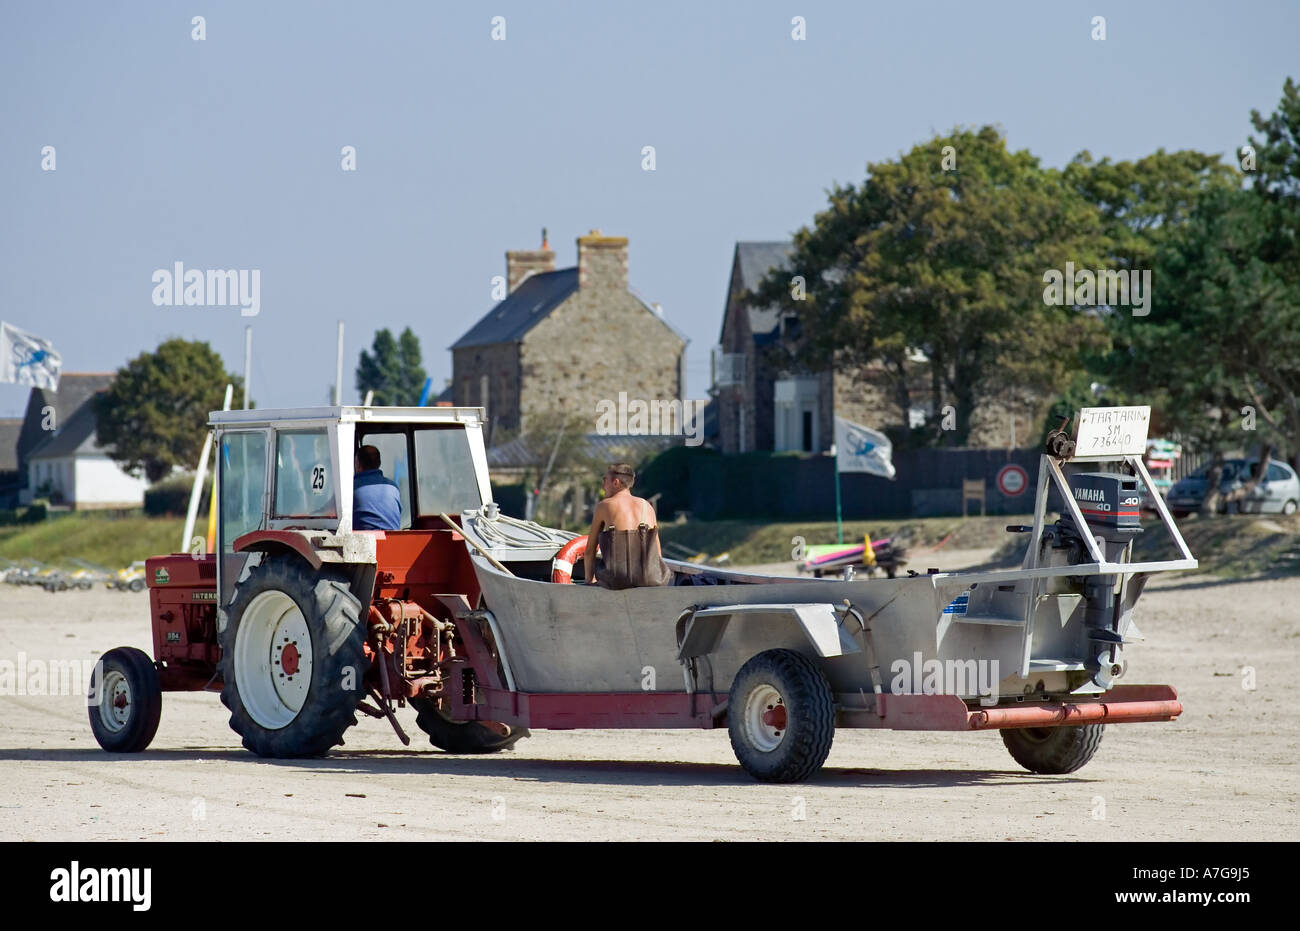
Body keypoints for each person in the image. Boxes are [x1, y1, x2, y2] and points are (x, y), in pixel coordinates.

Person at [582, 463, 672, 589]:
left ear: (616, 482)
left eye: (605, 480)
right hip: (650, 580)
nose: (603, 486)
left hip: (616, 581)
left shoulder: (604, 505)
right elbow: (657, 552)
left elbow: (590, 551)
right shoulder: (647, 506)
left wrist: (588, 581)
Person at [353, 445, 401, 531]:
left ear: (358, 464)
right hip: (393, 541)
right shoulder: (393, 487)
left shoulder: (350, 488)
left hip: (362, 542)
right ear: (379, 463)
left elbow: (330, 513)